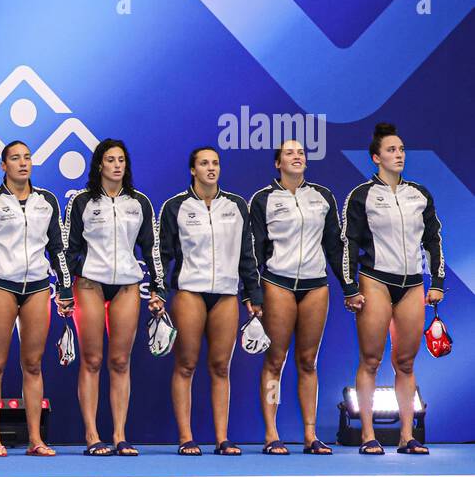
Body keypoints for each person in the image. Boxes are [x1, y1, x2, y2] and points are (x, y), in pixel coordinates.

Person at [341, 123, 445, 455]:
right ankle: (367, 435)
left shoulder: (419, 194)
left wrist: (437, 282)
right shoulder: (362, 195)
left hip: (412, 283)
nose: (399, 155)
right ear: (376, 158)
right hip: (375, 280)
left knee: (406, 363)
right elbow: (348, 243)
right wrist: (349, 286)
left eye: (401, 150)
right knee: (371, 359)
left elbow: (433, 240)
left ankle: (406, 436)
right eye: (391, 150)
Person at [248, 139, 358, 455]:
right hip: (277, 284)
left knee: (308, 362)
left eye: (301, 153)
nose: (296, 156)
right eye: (289, 153)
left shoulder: (322, 196)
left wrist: (349, 287)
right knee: (275, 360)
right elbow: (255, 250)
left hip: (315, 286)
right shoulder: (263, 199)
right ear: (277, 163)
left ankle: (311, 434)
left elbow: (335, 247)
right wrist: (253, 292)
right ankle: (271, 433)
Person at [156, 146, 262, 456]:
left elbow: (247, 253)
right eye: (204, 163)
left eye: (215, 163)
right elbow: (163, 254)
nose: (211, 168)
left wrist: (253, 293)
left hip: (226, 293)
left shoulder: (236, 206)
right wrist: (159, 292)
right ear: (193, 170)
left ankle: (222, 438)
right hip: (190, 291)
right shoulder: (175, 206)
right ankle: (186, 437)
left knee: (220, 367)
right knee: (186, 364)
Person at [63, 139, 165, 457]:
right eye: (110, 160)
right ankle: (92, 435)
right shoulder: (81, 201)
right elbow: (68, 248)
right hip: (90, 284)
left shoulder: (139, 202)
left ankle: (120, 435)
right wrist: (70, 284)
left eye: (121, 160)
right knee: (92, 360)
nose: (117, 165)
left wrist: (158, 287)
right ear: (99, 165)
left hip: (127, 286)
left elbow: (151, 247)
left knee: (120, 361)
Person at [0, 140, 73, 457]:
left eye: (27, 157)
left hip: (38, 287)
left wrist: (66, 288)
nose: (23, 163)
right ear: (4, 166)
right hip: (1, 285)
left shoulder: (47, 201)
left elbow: (57, 249)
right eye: (15, 158)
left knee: (32, 364)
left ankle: (35, 439)